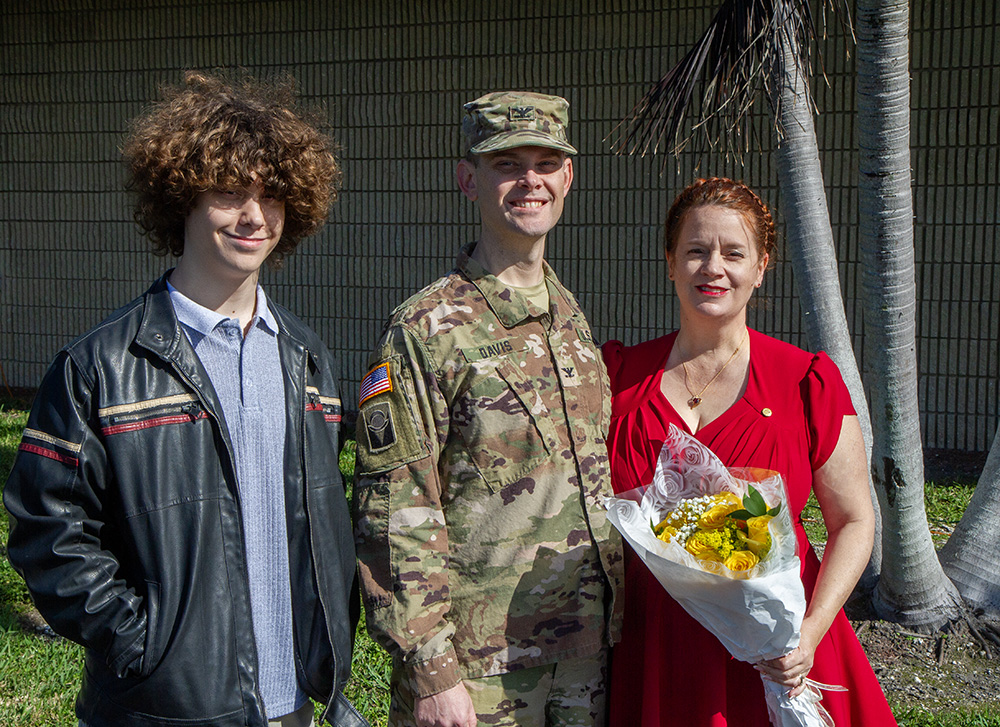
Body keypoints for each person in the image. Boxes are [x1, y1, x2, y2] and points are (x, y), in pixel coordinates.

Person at [3, 71, 365, 727]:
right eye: (230, 191)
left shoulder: (306, 358)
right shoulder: (100, 365)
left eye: (273, 193)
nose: (254, 214)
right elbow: (46, 531)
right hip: (163, 709)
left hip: (295, 705)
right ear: (182, 200)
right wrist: (147, 645)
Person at [353, 91, 624, 727]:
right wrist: (430, 668)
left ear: (568, 178)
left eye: (545, 162)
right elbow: (394, 504)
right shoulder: (424, 328)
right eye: (507, 164)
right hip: (480, 669)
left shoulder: (569, 316)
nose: (530, 180)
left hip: (587, 652)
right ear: (468, 179)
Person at [602, 177, 897, 726]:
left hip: (778, 649)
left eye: (733, 253)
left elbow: (855, 520)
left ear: (761, 268)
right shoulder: (617, 376)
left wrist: (809, 633)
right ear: (670, 263)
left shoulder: (808, 381)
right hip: (657, 644)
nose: (713, 267)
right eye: (695, 250)